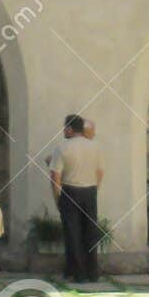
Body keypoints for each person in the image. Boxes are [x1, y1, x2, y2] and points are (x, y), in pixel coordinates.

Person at [49, 114, 104, 283]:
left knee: (73, 233)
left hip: (70, 190)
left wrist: (57, 197)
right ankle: (92, 272)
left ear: (69, 129)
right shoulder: (95, 147)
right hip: (90, 191)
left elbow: (55, 175)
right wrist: (94, 189)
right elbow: (99, 171)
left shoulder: (62, 147)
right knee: (90, 231)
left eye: (65, 128)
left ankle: (78, 272)